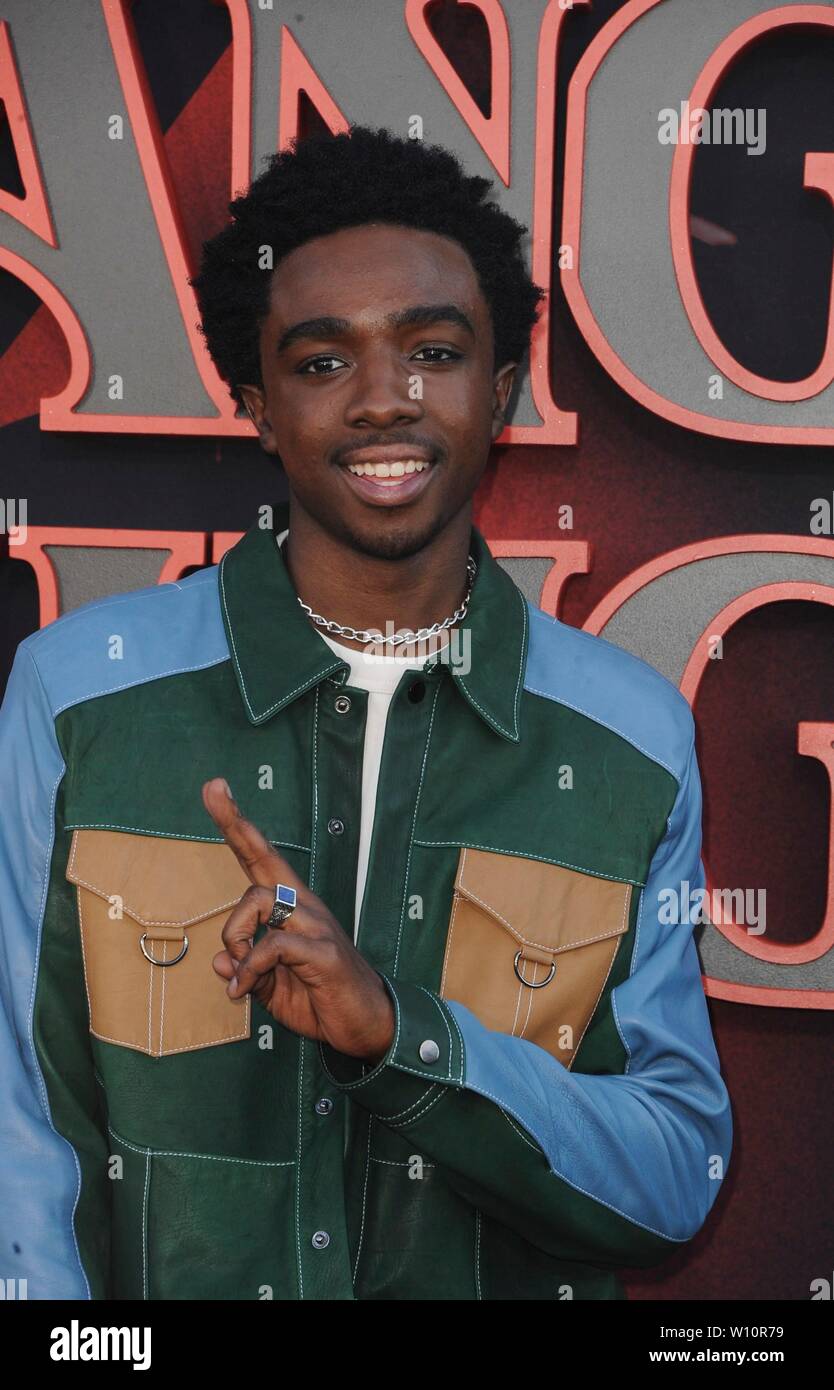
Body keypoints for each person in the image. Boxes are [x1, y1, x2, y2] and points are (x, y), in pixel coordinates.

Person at [0, 124, 732, 1301]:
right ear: (257, 403)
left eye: (433, 351)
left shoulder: (631, 740)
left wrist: (403, 1035)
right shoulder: (80, 694)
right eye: (324, 361)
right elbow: (18, 1131)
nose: (386, 400)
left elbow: (672, 1176)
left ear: (499, 394)